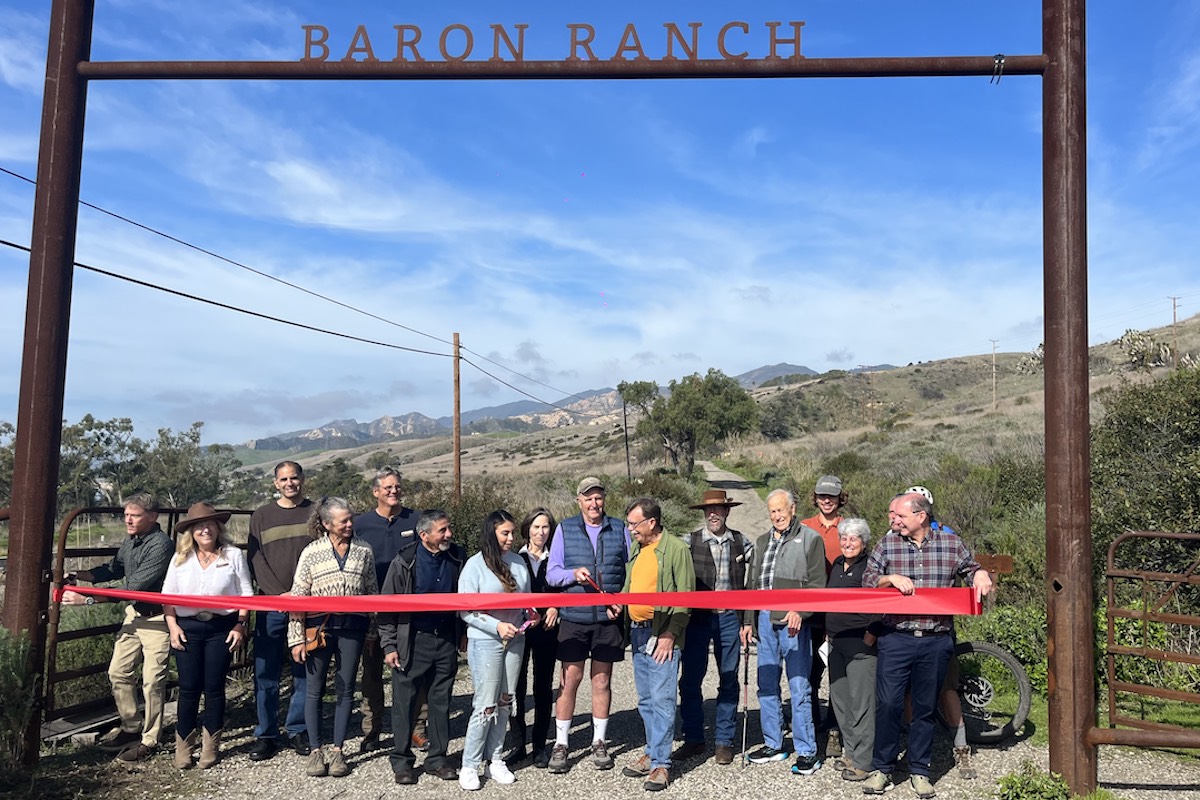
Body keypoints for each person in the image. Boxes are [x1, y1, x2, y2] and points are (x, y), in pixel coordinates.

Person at [861, 492, 992, 799]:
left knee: (924, 709)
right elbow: (867, 580)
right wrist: (889, 578)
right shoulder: (887, 543)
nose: (896, 521)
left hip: (935, 641)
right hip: (896, 639)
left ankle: (920, 771)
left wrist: (982, 574)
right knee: (890, 704)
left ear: (921, 516)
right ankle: (883, 768)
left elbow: (971, 569)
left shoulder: (950, 543)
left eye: (902, 517)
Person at [62, 492, 172, 762]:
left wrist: (87, 599)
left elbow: (134, 587)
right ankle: (130, 726)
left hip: (158, 619)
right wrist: (80, 576)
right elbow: (114, 569)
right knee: (118, 672)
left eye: (134, 515)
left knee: (152, 680)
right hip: (134, 615)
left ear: (152, 517)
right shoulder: (131, 541)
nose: (128, 520)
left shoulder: (161, 545)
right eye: (126, 515)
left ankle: (150, 739)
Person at [544, 476, 631, 774]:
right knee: (569, 681)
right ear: (578, 500)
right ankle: (561, 743)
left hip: (608, 619)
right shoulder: (564, 529)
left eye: (598, 497)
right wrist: (572, 574)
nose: (594, 504)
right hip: (574, 618)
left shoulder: (619, 528)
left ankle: (599, 741)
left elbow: (630, 569)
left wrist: (624, 599)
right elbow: (551, 574)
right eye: (588, 498)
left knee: (602, 681)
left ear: (604, 499)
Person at [288, 496, 378, 779]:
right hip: (318, 630)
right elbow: (298, 596)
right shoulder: (311, 552)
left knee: (346, 689)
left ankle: (338, 751)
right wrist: (296, 638)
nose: (350, 524)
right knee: (314, 690)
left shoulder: (364, 550)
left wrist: (373, 631)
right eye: (344, 521)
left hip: (353, 628)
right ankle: (316, 750)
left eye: (351, 519)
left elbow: (372, 592)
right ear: (326, 524)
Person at [162, 502, 254, 769]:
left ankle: (210, 745)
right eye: (199, 526)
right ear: (190, 531)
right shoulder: (180, 559)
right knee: (188, 687)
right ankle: (184, 746)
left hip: (221, 627)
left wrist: (240, 624)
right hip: (187, 627)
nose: (205, 530)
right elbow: (167, 596)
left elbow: (246, 593)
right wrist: (173, 626)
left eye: (209, 524)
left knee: (214, 688)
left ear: (218, 527)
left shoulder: (233, 555)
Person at [379, 509, 466, 786]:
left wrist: (462, 633)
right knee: (404, 703)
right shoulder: (404, 561)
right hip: (413, 641)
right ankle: (402, 761)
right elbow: (386, 607)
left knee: (441, 702)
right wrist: (389, 645)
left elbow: (466, 597)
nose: (448, 534)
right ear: (424, 534)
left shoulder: (457, 557)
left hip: (446, 640)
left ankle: (438, 759)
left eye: (448, 528)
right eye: (442, 530)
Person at [745, 488, 826, 776]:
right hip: (764, 619)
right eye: (773, 511)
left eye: (781, 510)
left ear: (792, 510)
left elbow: (818, 584)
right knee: (766, 684)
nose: (777, 516)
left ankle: (806, 751)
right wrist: (747, 621)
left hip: (793, 621)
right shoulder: (762, 541)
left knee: (799, 685)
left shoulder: (810, 539)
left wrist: (801, 611)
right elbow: (751, 585)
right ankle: (773, 743)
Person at [618, 497, 695, 792]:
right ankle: (652, 751)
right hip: (638, 634)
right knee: (647, 700)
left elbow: (685, 598)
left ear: (651, 522)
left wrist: (670, 634)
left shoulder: (676, 549)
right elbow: (631, 586)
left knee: (662, 700)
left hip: (662, 633)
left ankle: (662, 764)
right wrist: (619, 605)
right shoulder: (637, 549)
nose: (630, 530)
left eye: (634, 524)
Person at [674, 488, 754, 767]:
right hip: (697, 620)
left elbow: (750, 587)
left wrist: (747, 621)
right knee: (690, 680)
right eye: (708, 510)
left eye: (718, 509)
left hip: (730, 618)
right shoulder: (688, 542)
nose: (712, 514)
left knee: (729, 678)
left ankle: (724, 741)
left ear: (727, 511)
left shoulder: (743, 543)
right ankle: (694, 737)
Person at [457, 511, 536, 791]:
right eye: (505, 533)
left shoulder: (518, 563)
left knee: (506, 700)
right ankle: (469, 764)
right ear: (492, 533)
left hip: (516, 640)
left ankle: (496, 759)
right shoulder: (474, 567)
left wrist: (532, 614)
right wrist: (496, 625)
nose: (512, 538)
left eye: (513, 533)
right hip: (486, 641)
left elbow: (527, 601)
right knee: (486, 703)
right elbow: (466, 609)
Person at [902, 485, 976, 780]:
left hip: (939, 627)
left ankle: (961, 749)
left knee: (947, 688)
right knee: (907, 689)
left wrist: (979, 575)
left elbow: (967, 566)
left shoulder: (945, 535)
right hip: (905, 628)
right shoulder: (897, 536)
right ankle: (912, 746)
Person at [246, 461, 313, 761]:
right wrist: (279, 594)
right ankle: (267, 734)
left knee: (304, 669)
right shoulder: (261, 516)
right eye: (283, 479)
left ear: (302, 479)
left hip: (308, 604)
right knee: (266, 671)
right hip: (272, 604)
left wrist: (301, 594)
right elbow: (256, 560)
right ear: (275, 483)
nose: (289, 483)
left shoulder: (316, 512)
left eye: (294, 477)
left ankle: (298, 729)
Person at [353, 466, 420, 753]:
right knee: (371, 675)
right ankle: (372, 730)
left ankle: (417, 728)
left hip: (408, 611)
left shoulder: (416, 520)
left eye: (397, 486)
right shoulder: (360, 524)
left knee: (412, 670)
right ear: (376, 491)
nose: (394, 491)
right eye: (388, 487)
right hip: (372, 611)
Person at [823, 517, 882, 782]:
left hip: (861, 645)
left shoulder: (870, 567)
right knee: (841, 700)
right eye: (844, 538)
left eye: (854, 538)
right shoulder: (836, 565)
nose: (848, 543)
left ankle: (863, 761)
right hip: (836, 643)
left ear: (864, 542)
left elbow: (883, 604)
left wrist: (872, 633)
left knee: (862, 704)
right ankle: (850, 751)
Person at [507, 507, 560, 768]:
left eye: (546, 527)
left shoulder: (557, 557)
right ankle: (518, 744)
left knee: (542, 686)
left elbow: (564, 586)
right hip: (520, 629)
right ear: (527, 528)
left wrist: (555, 606)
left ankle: (540, 745)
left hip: (547, 630)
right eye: (536, 527)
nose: (541, 532)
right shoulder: (515, 558)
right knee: (516, 686)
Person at [799, 475, 846, 750]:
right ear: (815, 497)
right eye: (822, 495)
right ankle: (812, 721)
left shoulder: (849, 528)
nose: (827, 500)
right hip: (810, 615)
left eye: (832, 495)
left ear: (841, 498)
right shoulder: (804, 527)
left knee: (838, 676)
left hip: (839, 614)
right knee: (810, 672)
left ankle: (834, 729)